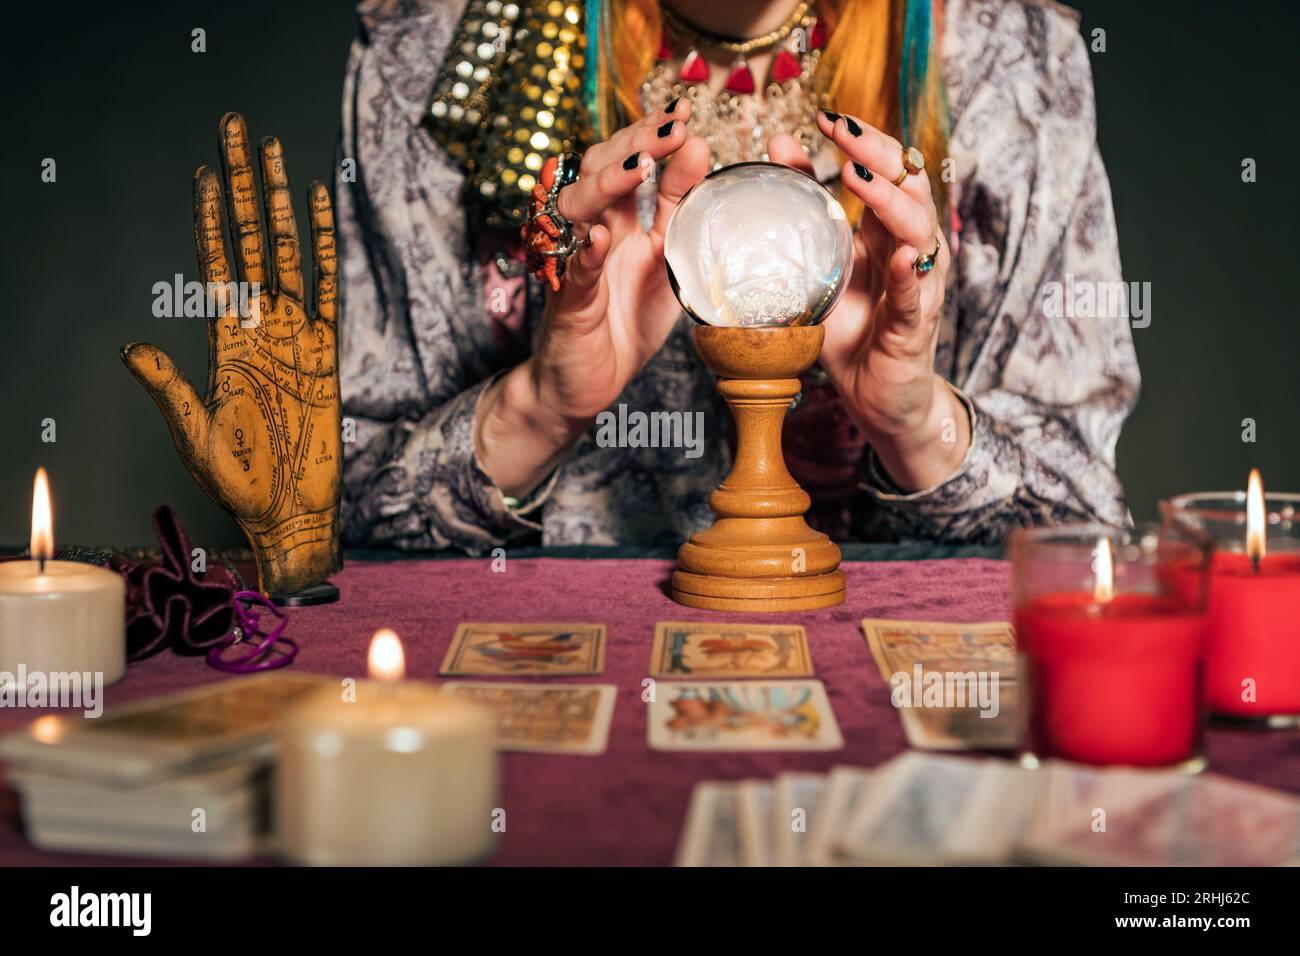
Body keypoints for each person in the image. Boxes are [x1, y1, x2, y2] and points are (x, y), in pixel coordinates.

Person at [336, 0, 1138, 553]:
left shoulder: (1012, 62)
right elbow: (341, 520)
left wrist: (915, 421)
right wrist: (540, 409)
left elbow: (1086, 538)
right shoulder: (440, 60)